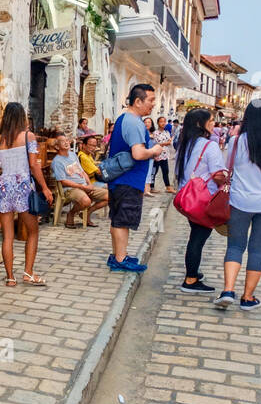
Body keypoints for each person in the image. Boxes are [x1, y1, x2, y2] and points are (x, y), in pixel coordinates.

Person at [214, 100, 261, 311]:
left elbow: (230, 168)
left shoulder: (237, 142)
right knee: (258, 249)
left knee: (235, 246)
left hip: (240, 200)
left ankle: (228, 290)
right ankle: (248, 297)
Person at [0, 100, 52, 285]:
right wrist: (45, 187)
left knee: (7, 236)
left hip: (5, 187)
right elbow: (33, 164)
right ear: (22, 117)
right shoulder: (28, 136)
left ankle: (10, 278)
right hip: (23, 188)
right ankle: (28, 273)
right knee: (33, 231)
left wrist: (5, 165)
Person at [105, 83, 163, 273]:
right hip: (128, 180)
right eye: (151, 100)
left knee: (117, 219)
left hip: (120, 180)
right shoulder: (134, 122)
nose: (153, 104)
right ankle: (121, 259)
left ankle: (117, 255)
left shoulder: (124, 118)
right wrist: (154, 150)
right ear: (138, 101)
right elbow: (138, 154)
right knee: (123, 221)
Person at [174, 107, 228, 294]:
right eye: (211, 120)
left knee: (196, 235)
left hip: (188, 197)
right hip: (204, 199)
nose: (214, 124)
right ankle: (190, 280)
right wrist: (227, 179)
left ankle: (194, 272)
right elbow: (217, 174)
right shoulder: (209, 145)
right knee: (198, 238)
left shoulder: (185, 143)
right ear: (200, 123)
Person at [51, 134, 108, 228]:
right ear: (57, 146)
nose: (66, 142)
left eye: (67, 140)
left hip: (84, 186)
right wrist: (83, 187)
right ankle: (71, 214)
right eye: (62, 141)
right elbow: (63, 181)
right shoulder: (57, 161)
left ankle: (88, 213)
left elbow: (82, 172)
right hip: (71, 189)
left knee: (110, 196)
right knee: (86, 201)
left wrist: (89, 185)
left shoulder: (73, 155)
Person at [150, 114, 175, 193]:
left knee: (165, 171)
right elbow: (155, 144)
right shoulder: (155, 133)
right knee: (154, 171)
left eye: (164, 121)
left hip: (164, 154)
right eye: (161, 122)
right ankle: (151, 187)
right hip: (157, 154)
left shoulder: (167, 132)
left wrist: (166, 143)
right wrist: (165, 143)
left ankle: (168, 187)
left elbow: (170, 142)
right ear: (158, 123)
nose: (163, 123)